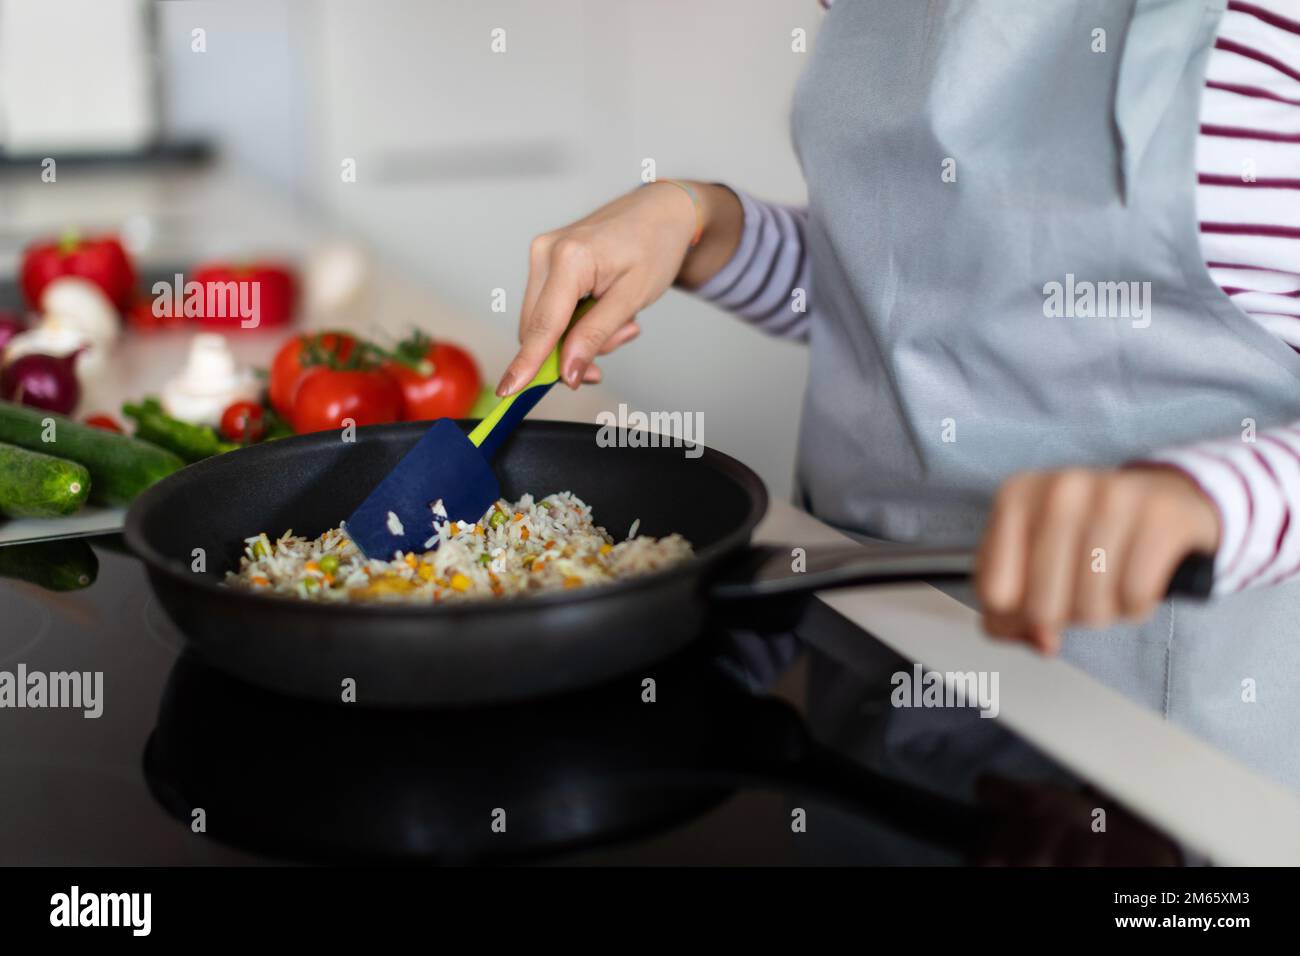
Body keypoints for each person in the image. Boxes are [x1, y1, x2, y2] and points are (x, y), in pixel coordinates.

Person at [497, 0, 1300, 786]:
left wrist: (1208, 501)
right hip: (871, 662)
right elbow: (912, 292)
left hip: (1164, 745)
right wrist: (701, 222)